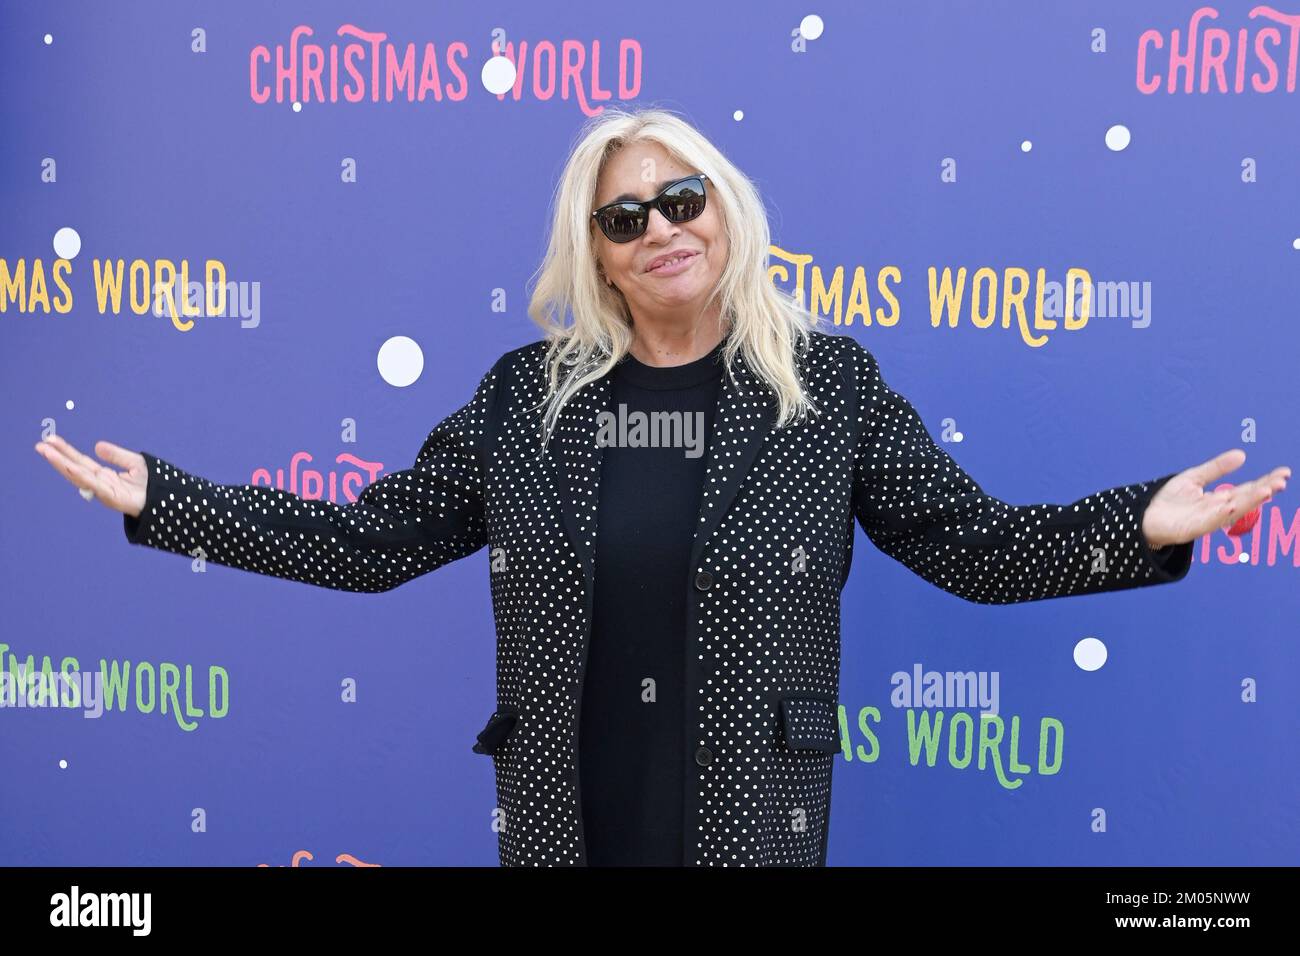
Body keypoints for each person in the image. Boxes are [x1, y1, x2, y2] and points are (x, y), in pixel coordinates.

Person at [33, 107, 1290, 867]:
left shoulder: (826, 387)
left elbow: (973, 545)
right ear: (598, 252)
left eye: (678, 200)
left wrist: (1138, 522)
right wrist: (171, 497)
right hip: (565, 813)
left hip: (754, 816)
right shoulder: (526, 396)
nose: (660, 228)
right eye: (625, 215)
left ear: (724, 213)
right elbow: (374, 538)